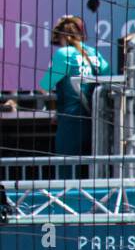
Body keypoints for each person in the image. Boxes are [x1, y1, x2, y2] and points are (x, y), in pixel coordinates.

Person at [39, 13, 108, 177]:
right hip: (97, 125)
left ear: (61, 36)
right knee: (94, 176)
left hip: (71, 124)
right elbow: (109, 82)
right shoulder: (95, 54)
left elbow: (44, 87)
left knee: (67, 175)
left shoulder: (64, 54)